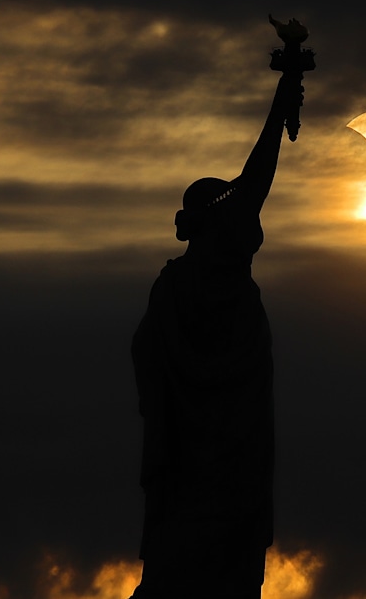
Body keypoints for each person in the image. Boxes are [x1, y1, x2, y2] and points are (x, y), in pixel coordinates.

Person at [128, 71, 303, 598]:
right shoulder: (202, 279)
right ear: (217, 224)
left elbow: (145, 356)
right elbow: (258, 177)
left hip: (200, 445)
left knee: (207, 542)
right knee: (218, 542)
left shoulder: (172, 287)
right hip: (217, 446)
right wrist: (284, 93)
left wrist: (286, 91)